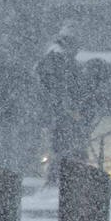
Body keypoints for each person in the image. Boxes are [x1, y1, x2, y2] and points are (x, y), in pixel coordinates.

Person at [35, 26, 94, 187]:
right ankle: (62, 184)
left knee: (63, 150)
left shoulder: (56, 60)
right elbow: (60, 89)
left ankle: (59, 182)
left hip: (60, 115)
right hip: (62, 116)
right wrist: (69, 109)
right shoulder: (58, 60)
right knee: (66, 150)